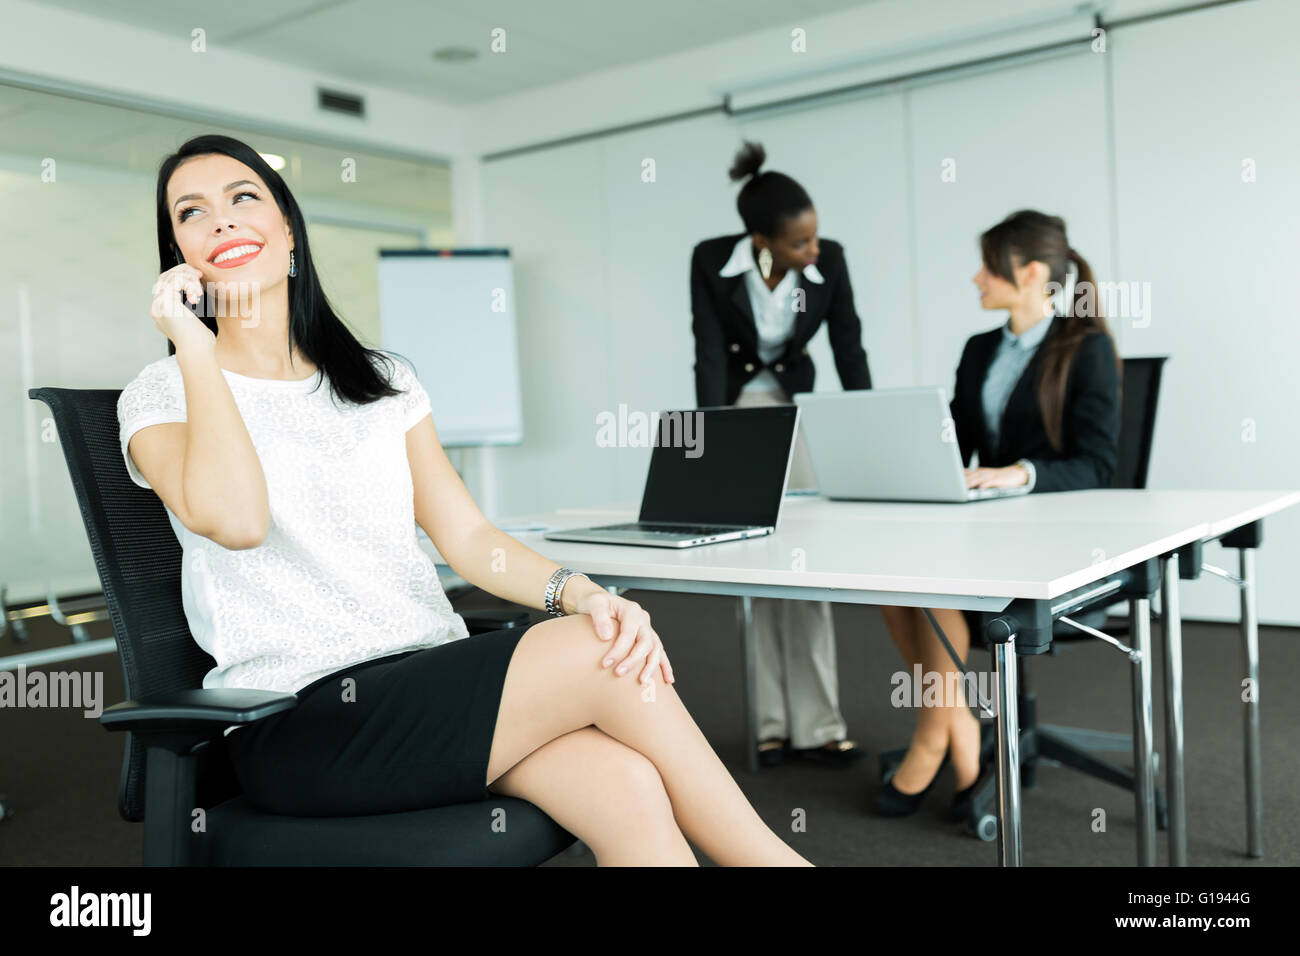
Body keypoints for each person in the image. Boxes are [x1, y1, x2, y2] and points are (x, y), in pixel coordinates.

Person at [117, 134, 811, 866]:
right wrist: (194, 348)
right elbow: (237, 520)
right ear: (178, 255)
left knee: (629, 786)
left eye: (243, 197)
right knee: (598, 650)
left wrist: (579, 593)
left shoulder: (380, 379)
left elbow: (468, 537)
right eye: (192, 212)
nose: (221, 221)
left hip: (425, 677)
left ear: (288, 225)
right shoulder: (162, 394)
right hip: (299, 718)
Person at [874, 209, 1121, 818]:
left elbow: (1099, 465)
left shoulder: (1085, 348)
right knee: (887, 577)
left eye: (989, 266)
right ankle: (959, 728)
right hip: (987, 528)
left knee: (928, 585)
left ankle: (937, 737)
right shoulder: (979, 348)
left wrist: (1021, 472)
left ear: (1032, 272)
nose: (977, 278)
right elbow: (952, 445)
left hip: (1060, 541)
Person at [690, 141, 872, 768]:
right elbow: (709, 353)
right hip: (738, 416)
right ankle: (768, 723)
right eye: (800, 244)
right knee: (757, 569)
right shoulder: (712, 261)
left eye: (815, 239)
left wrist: (862, 428)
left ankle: (820, 725)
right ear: (760, 239)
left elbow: (849, 345)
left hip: (802, 415)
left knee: (805, 566)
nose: (813, 251)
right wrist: (709, 445)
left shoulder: (831, 262)